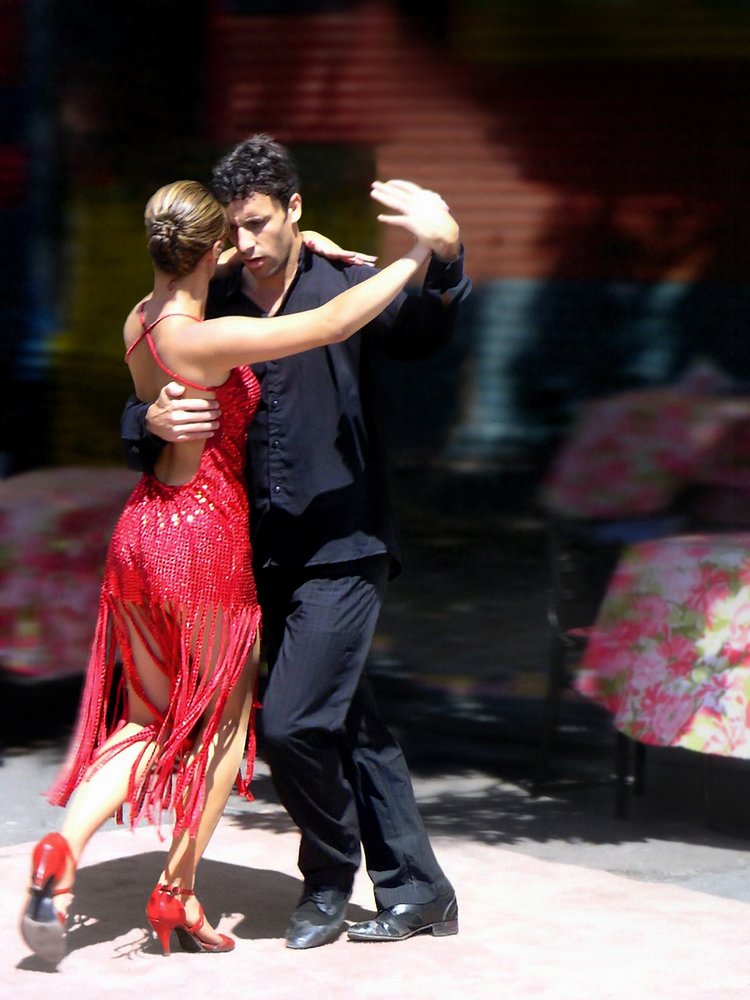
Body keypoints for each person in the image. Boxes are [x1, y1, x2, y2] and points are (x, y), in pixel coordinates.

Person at [19, 177, 436, 965]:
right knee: (221, 726)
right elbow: (334, 319)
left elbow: (165, 404)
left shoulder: (138, 322)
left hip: (141, 531)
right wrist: (414, 254)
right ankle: (175, 891)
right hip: (203, 542)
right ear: (211, 251)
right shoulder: (203, 337)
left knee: (144, 719)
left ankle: (61, 851)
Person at [121, 134, 471, 949]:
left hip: (344, 541)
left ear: (295, 210)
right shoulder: (218, 303)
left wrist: (444, 256)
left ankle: (325, 877)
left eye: (257, 224)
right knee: (349, 720)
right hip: (251, 549)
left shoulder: (342, 278)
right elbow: (152, 382)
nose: (244, 244)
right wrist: (149, 423)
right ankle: (419, 890)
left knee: (291, 724)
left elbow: (421, 333)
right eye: (232, 230)